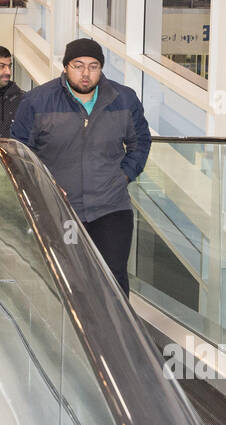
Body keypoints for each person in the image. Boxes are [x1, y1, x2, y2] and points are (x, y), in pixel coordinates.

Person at [11, 38, 151, 297]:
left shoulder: (124, 99)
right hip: (62, 210)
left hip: (111, 207)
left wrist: (124, 176)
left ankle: (117, 335)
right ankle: (73, 334)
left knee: (113, 277)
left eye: (93, 66)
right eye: (78, 65)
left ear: (101, 68)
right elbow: (19, 152)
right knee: (69, 278)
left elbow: (140, 142)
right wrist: (45, 186)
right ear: (65, 67)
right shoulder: (37, 101)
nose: (86, 73)